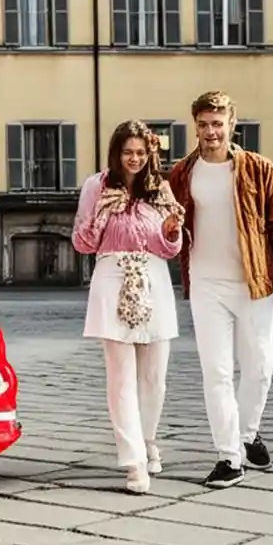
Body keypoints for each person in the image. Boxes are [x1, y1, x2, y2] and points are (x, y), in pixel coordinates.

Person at [168, 90, 273, 489]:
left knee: (261, 366)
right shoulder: (181, 174)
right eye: (204, 125)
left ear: (232, 124)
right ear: (195, 127)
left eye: (217, 123)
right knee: (217, 371)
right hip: (206, 283)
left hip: (255, 280)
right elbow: (168, 223)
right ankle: (229, 457)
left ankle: (246, 433)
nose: (211, 131)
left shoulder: (261, 169)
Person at [73, 120, 184, 494]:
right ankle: (134, 461)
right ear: (116, 154)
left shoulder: (161, 189)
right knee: (120, 379)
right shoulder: (96, 186)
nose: (134, 159)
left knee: (154, 378)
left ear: (149, 153)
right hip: (112, 276)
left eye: (141, 152)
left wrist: (171, 231)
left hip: (153, 280)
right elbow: (82, 242)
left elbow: (171, 248)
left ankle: (149, 438)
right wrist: (101, 213)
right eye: (128, 152)